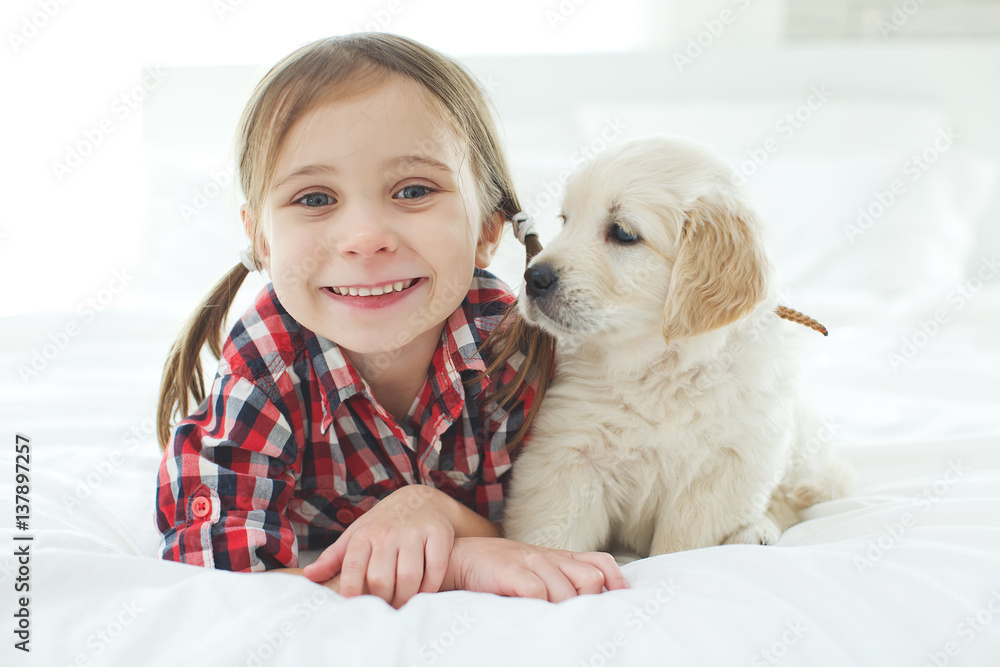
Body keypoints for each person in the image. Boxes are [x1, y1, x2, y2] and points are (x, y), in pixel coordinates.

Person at [154, 32, 627, 609]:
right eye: (313, 199)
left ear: (486, 228)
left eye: (412, 190)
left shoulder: (523, 352)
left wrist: (436, 514)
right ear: (261, 239)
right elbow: (218, 578)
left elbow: (570, 527)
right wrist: (454, 559)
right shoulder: (264, 371)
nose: (366, 238)